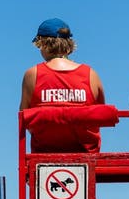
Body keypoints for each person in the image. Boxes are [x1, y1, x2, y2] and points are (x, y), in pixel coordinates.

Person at [20, 18, 106, 153]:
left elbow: (25, 119)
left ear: (42, 44)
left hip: (43, 154)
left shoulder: (32, 74)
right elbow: (99, 117)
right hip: (87, 155)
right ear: (69, 44)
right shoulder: (91, 75)